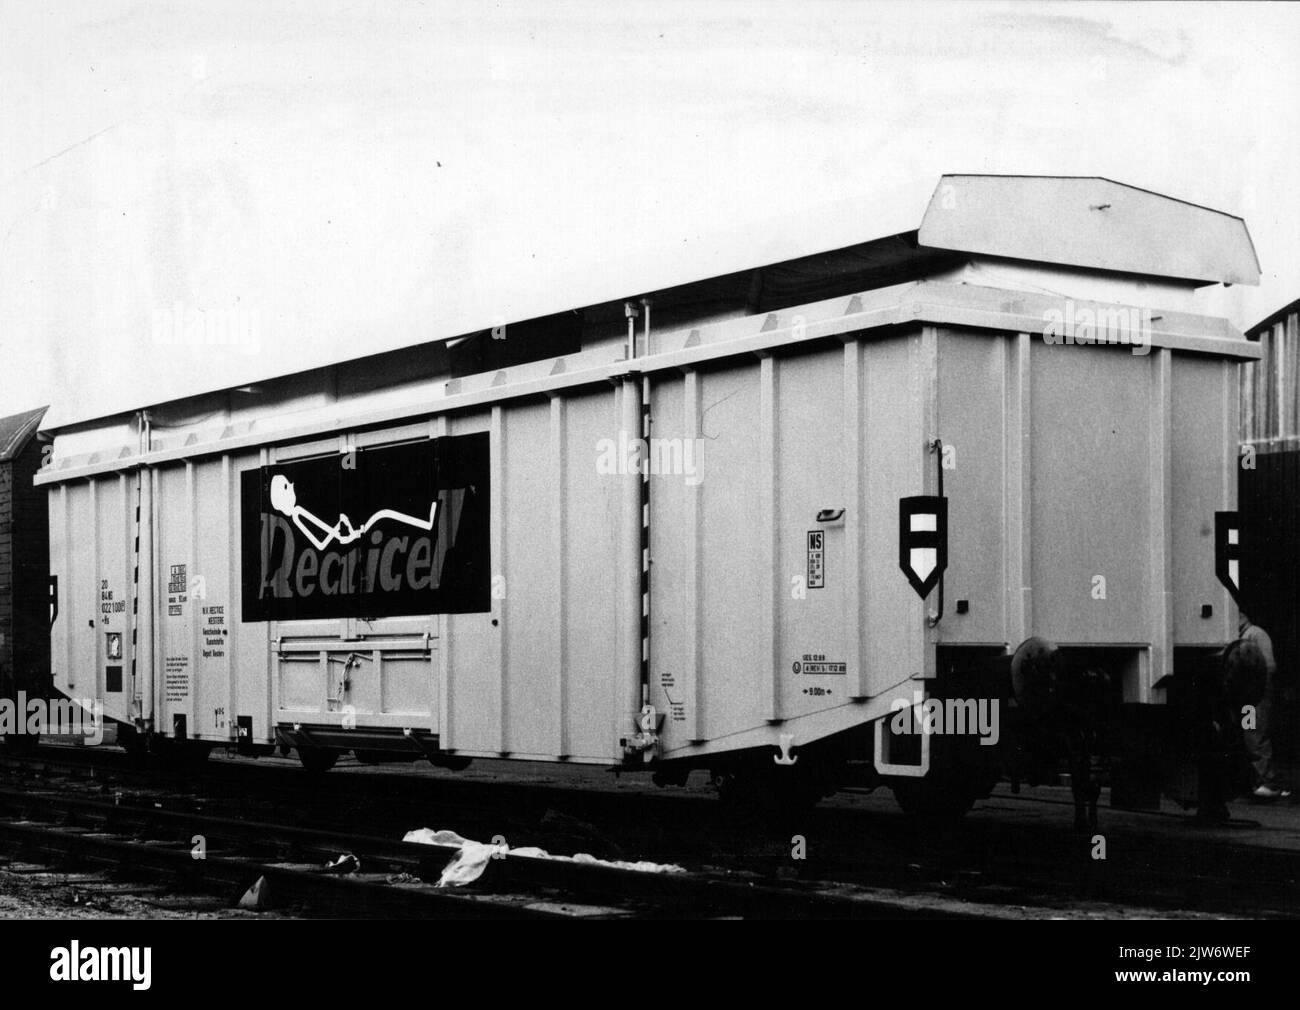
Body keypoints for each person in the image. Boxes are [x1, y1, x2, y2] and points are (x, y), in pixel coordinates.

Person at [1237, 612, 1291, 800]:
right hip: (1249, 699)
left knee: (1254, 737)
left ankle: (1269, 782)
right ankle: (1261, 781)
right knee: (1249, 735)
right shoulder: (1246, 635)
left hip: (1255, 697)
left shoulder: (1255, 634)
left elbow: (1269, 665)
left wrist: (1252, 685)